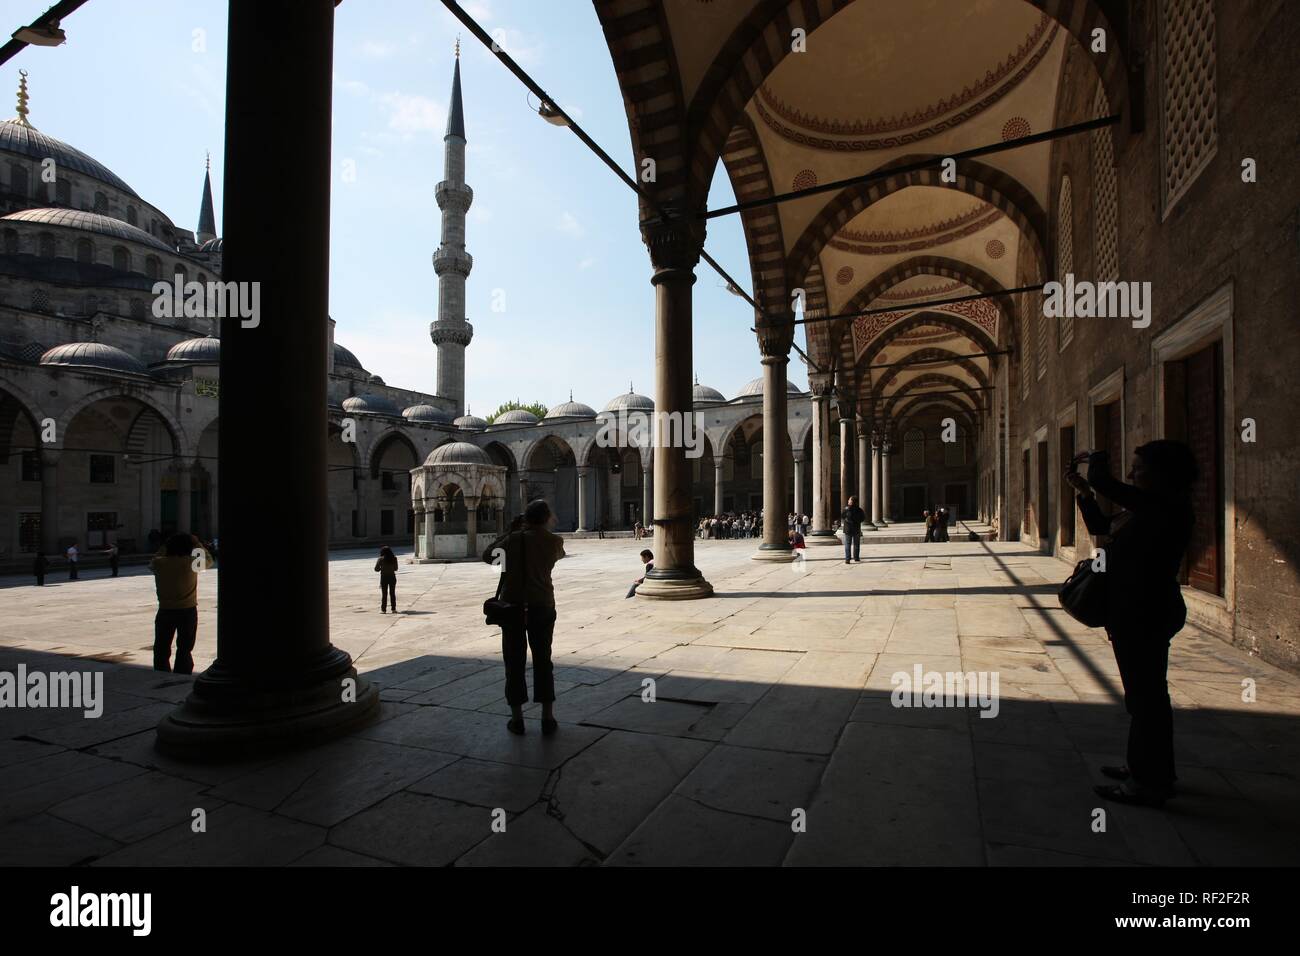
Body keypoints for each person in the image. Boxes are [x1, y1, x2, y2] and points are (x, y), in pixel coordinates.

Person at [1065, 441, 1196, 808]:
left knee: (1147, 700)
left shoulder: (1167, 506)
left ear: (1161, 473)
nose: (1132, 475)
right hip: (1134, 611)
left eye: (1138, 469)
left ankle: (1147, 783)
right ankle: (1150, 770)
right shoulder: (1147, 509)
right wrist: (1084, 492)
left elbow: (1109, 482)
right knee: (1145, 699)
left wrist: (1097, 457)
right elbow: (1101, 525)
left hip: (1146, 612)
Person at [482, 499, 566, 736]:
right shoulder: (554, 542)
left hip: (512, 608)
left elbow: (489, 557)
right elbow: (557, 555)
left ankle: (517, 719)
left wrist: (511, 532)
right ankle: (547, 718)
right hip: (542, 607)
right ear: (546, 517)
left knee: (514, 662)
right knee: (543, 661)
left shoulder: (512, 540)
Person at [149, 532, 213, 674]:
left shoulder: (159, 563)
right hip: (187, 609)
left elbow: (155, 558)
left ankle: (161, 672)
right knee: (185, 647)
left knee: (161, 646)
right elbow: (208, 559)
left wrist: (167, 544)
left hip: (165, 609)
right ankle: (182, 672)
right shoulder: (191, 563)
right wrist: (196, 543)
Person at [841, 495, 865, 564]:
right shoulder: (859, 510)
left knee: (847, 544)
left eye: (849, 500)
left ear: (852, 501)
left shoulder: (846, 509)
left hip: (848, 529)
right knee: (856, 544)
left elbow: (842, 516)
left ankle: (847, 559)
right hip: (856, 528)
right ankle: (856, 557)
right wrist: (857, 521)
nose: (848, 501)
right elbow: (863, 518)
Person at [375, 546, 399, 613]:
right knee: (392, 593)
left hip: (384, 578)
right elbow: (396, 569)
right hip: (392, 577)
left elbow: (376, 569)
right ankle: (393, 609)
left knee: (384, 594)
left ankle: (383, 610)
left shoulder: (380, 559)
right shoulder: (394, 558)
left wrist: (381, 568)